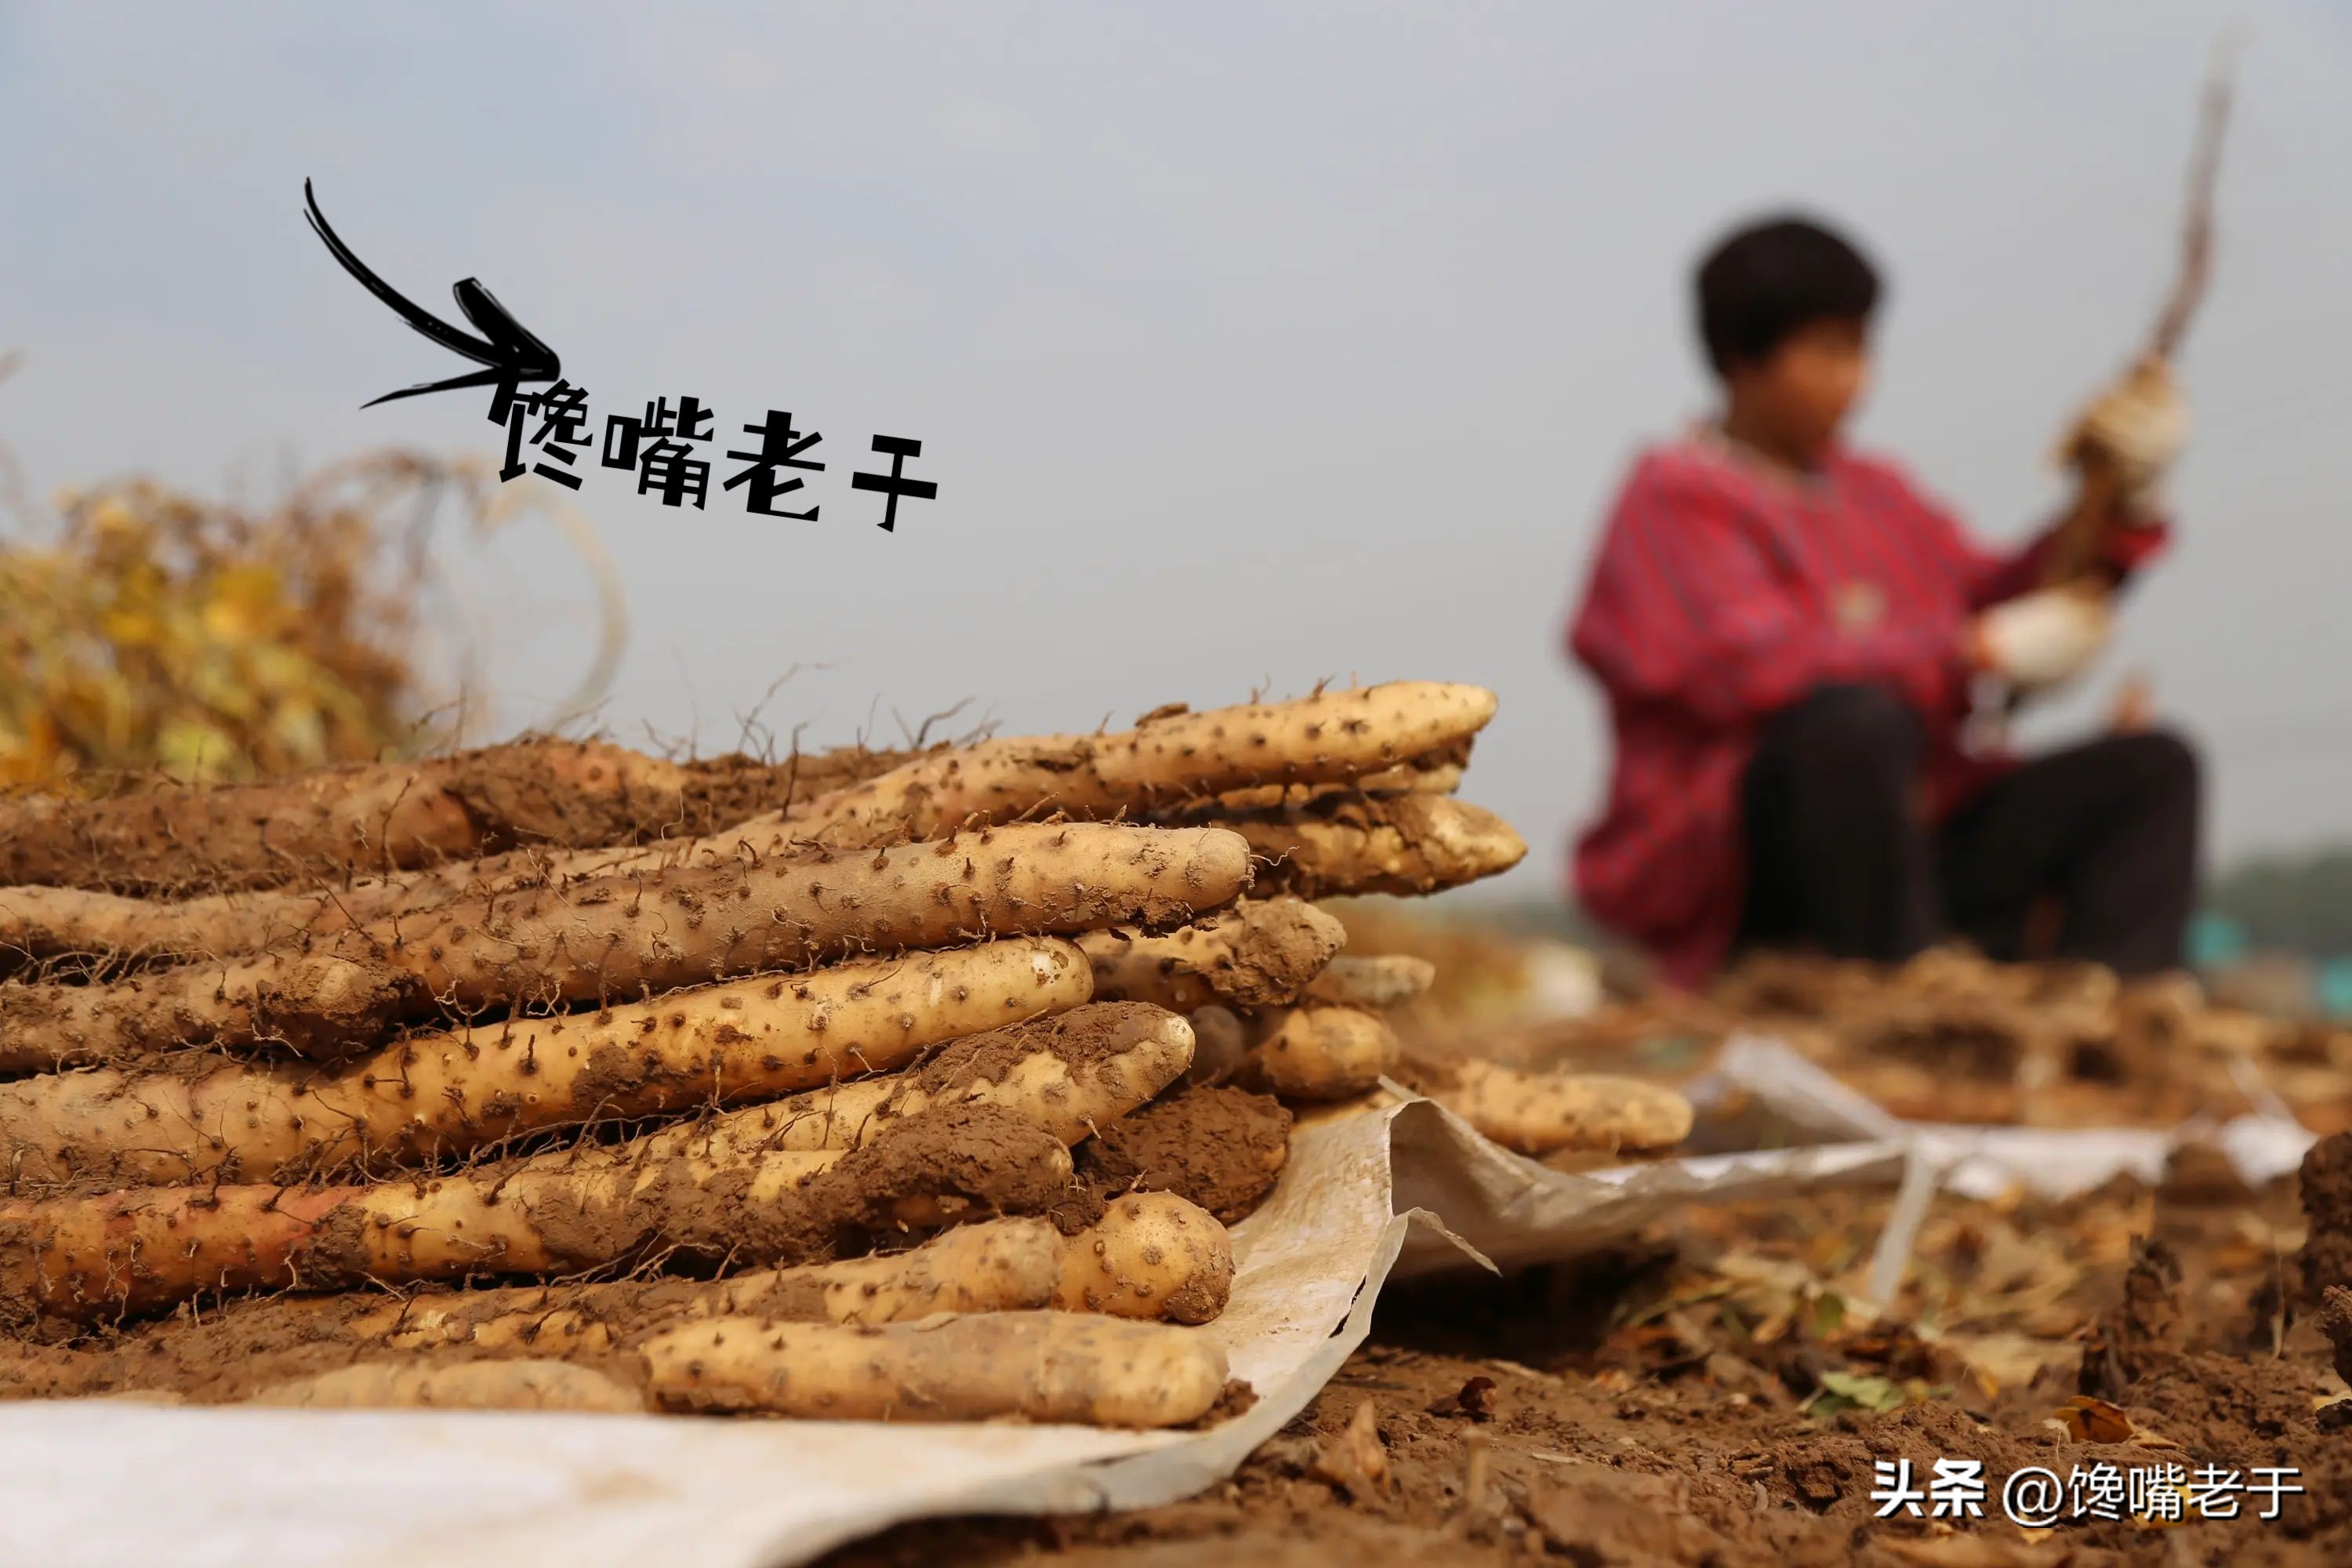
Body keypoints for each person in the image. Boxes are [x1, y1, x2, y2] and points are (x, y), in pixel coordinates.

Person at [1565, 215, 2198, 988]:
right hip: (1750, 868)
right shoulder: (1673, 493)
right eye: (1828, 352)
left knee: (2154, 769)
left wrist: (2115, 504)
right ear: (1742, 359)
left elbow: (1994, 591)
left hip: (1920, 837)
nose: (1856, 379)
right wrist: (1972, 651)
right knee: (1849, 724)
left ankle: (2111, 1018)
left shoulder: (1877, 495)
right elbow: (1745, 665)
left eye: (1861, 350)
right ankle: (1903, 999)